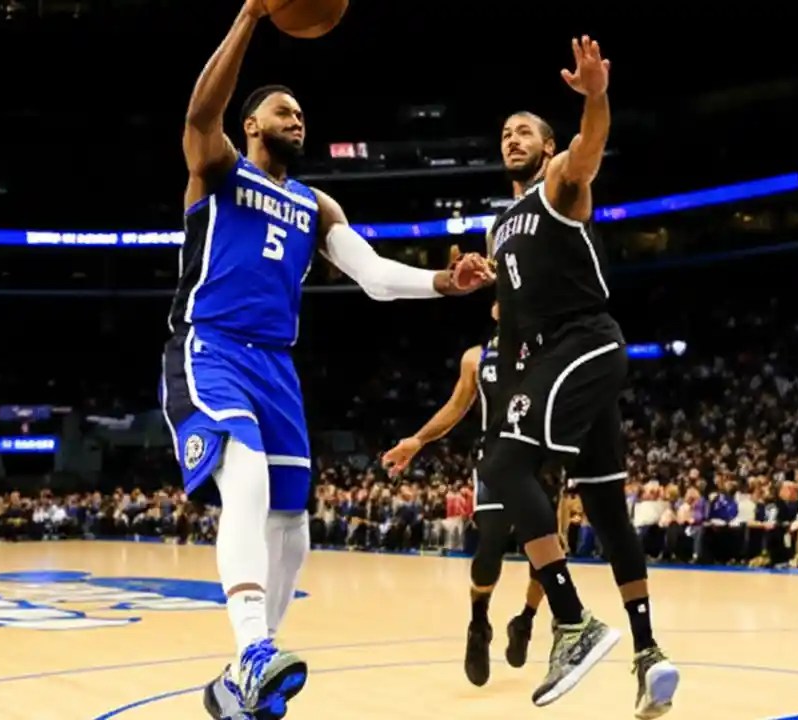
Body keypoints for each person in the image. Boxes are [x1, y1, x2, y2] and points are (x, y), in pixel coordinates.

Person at [170, 2, 493, 718]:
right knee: (246, 477)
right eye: (284, 110)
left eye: (301, 113)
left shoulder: (316, 205)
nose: (298, 119)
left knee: (293, 525)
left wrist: (442, 282)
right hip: (212, 345)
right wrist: (252, 15)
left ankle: (241, 678)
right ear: (251, 124)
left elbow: (374, 275)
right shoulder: (219, 169)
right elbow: (199, 117)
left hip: (277, 367)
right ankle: (254, 647)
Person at [476, 36, 679, 715]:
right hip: (550, 357)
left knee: (504, 469)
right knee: (605, 508)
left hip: (584, 341)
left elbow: (590, 148)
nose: (512, 138)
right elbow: (507, 324)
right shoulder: (499, 229)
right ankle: (649, 657)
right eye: (505, 132)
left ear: (547, 142)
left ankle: (573, 622)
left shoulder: (561, 182)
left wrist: (595, 96)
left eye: (524, 130)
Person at [381, 301, 547, 687]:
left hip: (541, 460)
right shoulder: (476, 357)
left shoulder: (547, 349)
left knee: (545, 555)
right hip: (495, 460)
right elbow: (456, 407)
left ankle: (524, 621)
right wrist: (417, 440)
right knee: (489, 545)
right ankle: (478, 624)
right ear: (495, 310)